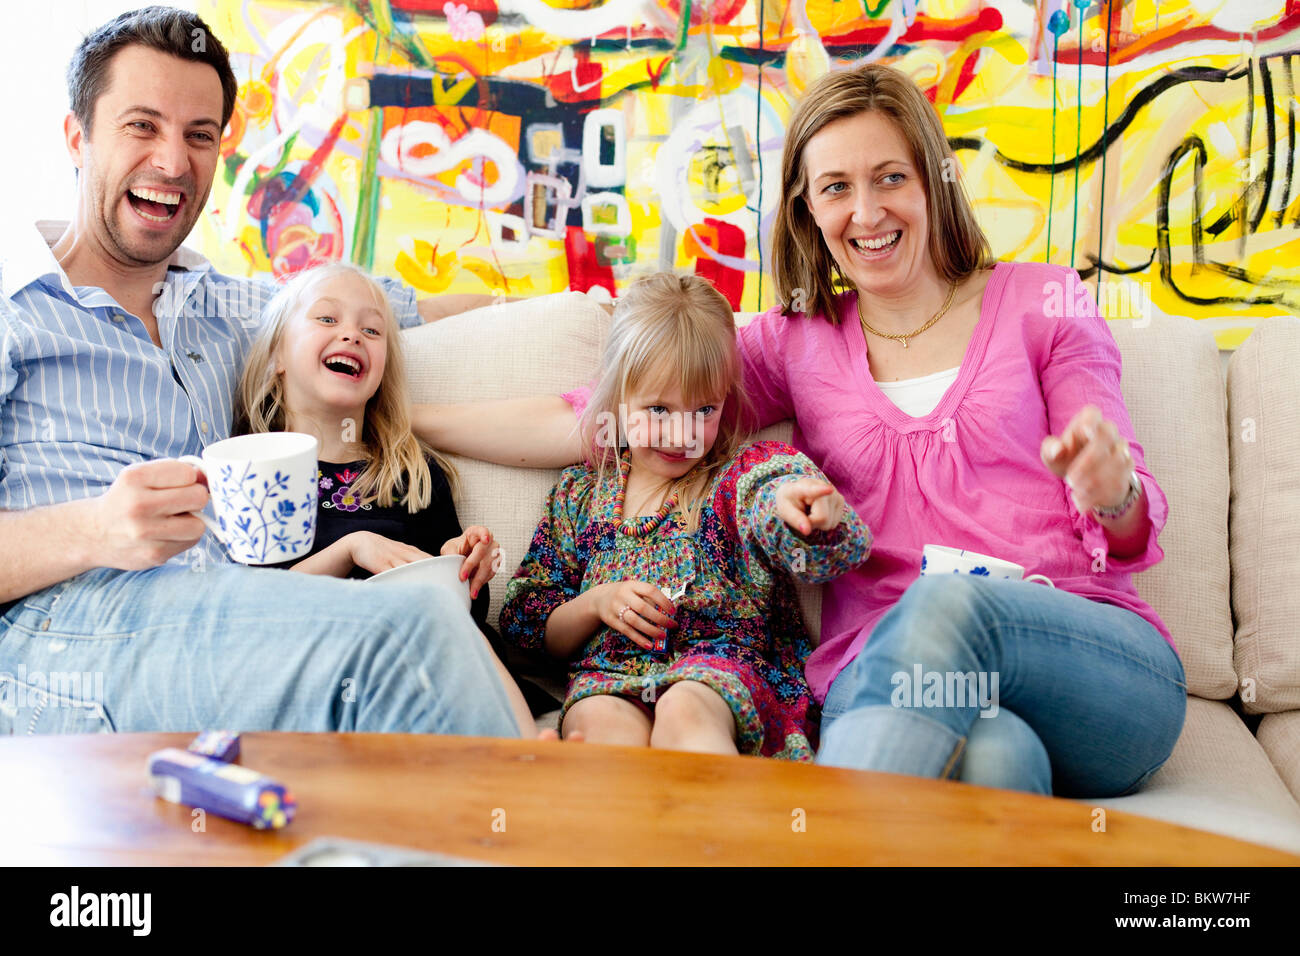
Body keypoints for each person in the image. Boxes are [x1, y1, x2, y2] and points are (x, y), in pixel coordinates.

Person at [419, 65, 1187, 796]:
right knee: (997, 760)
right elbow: (602, 416)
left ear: (933, 180)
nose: (868, 211)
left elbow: (1129, 522)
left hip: (1085, 661)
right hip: (888, 678)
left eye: (891, 176)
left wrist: (1112, 491)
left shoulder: (1045, 301)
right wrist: (403, 417)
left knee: (950, 606)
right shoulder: (797, 339)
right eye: (836, 188)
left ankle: (820, 844)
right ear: (807, 210)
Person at [0, 6, 516, 736]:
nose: (174, 163)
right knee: (410, 634)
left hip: (225, 616)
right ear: (77, 138)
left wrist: (596, 304)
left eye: (199, 136)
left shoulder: (234, 306)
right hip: (64, 629)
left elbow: (393, 307)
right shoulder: (13, 306)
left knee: (421, 622)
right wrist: (95, 529)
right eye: (142, 125)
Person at [498, 273, 871, 759]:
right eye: (658, 409)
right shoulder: (578, 497)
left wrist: (806, 512)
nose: (681, 434)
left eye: (703, 410)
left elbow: (788, 515)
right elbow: (527, 625)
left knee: (686, 708)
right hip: (609, 677)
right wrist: (595, 604)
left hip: (723, 669)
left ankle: (711, 829)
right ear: (616, 400)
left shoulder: (739, 478)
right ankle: (620, 827)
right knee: (599, 721)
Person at [231, 260, 561, 733]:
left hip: (428, 663)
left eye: (372, 329)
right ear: (276, 356)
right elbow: (252, 611)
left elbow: (459, 603)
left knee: (443, 615)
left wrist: (460, 562)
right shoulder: (257, 471)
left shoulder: (413, 473)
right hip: (323, 662)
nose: (352, 335)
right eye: (327, 319)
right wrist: (350, 549)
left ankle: (521, 745)